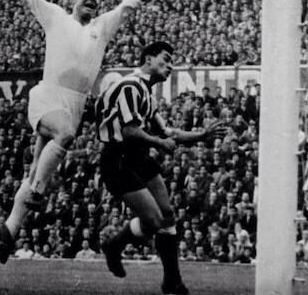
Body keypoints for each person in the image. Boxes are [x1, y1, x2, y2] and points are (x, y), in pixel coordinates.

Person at [0, 0, 181, 264]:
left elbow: (132, 3)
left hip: (73, 106)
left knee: (35, 169)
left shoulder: (102, 28)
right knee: (59, 143)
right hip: (48, 95)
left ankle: (8, 231)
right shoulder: (56, 16)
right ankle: (39, 193)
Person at [95, 40, 227, 295]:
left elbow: (168, 132)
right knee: (154, 220)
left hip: (138, 157)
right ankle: (115, 245)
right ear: (148, 59)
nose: (170, 66)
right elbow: (129, 130)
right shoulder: (130, 86)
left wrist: (200, 135)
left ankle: (172, 281)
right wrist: (159, 142)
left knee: (167, 215)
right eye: (165, 59)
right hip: (119, 158)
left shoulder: (145, 92)